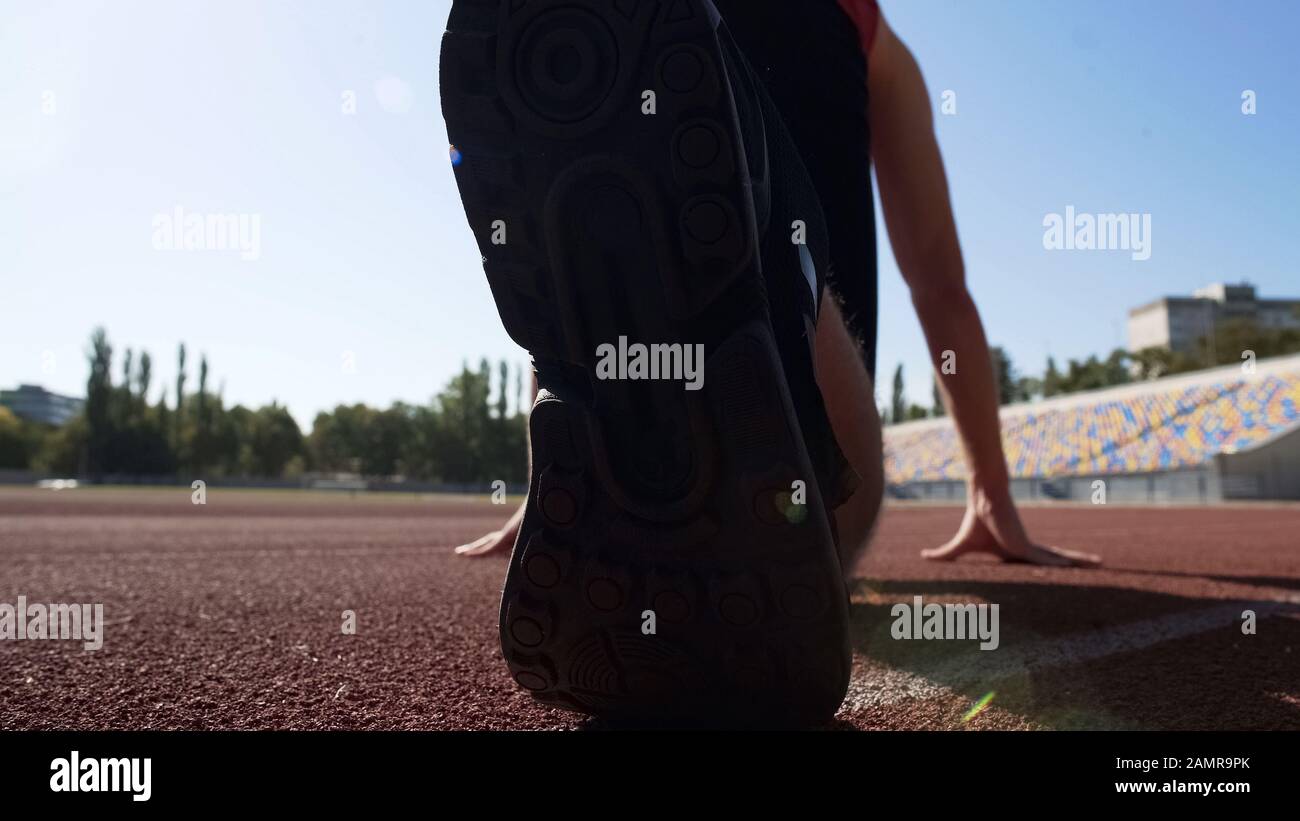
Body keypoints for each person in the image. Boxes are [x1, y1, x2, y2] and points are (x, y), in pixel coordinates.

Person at [441, 0, 1098, 724]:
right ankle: (780, 307)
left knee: (606, 236)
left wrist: (552, 474)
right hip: (812, 477)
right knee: (825, 490)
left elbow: (565, 298)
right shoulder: (875, 39)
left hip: (631, 401)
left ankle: (634, 423)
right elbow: (941, 287)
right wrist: (990, 494)